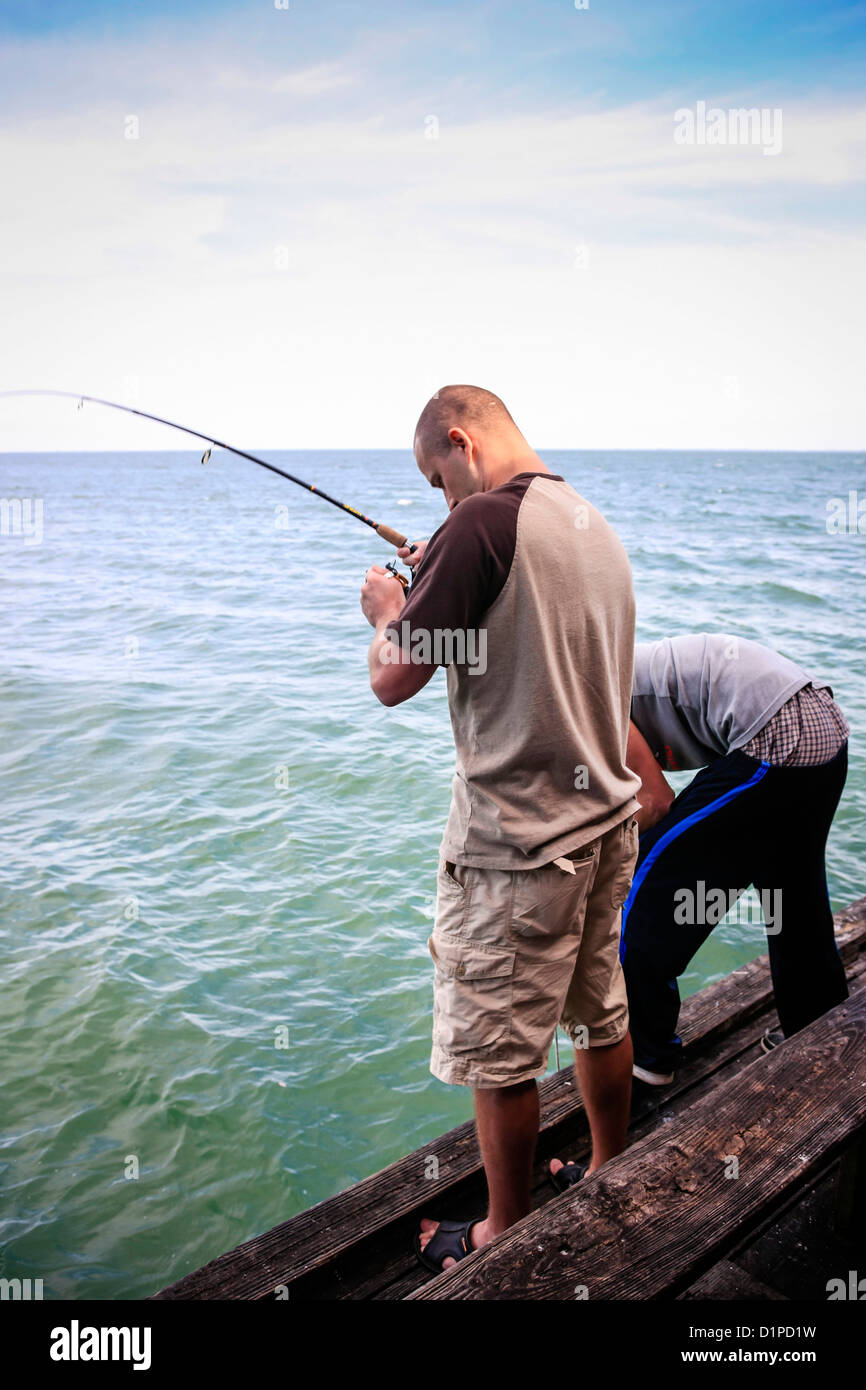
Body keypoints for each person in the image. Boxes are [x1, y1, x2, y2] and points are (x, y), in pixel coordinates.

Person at [359, 384, 641, 1274]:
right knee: (601, 1011)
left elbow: (394, 679)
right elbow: (525, 629)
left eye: (438, 480)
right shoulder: (586, 523)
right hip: (605, 826)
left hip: (519, 850)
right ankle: (605, 1167)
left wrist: (384, 615)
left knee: (502, 1054)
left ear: (461, 441)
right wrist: (442, 567)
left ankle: (503, 1235)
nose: (444, 503)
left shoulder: (481, 525)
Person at [623, 633, 850, 1085]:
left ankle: (648, 1059)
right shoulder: (599, 670)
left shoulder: (588, 696)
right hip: (823, 725)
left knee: (643, 891)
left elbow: (656, 802)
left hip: (779, 738)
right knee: (789, 890)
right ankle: (815, 1028)